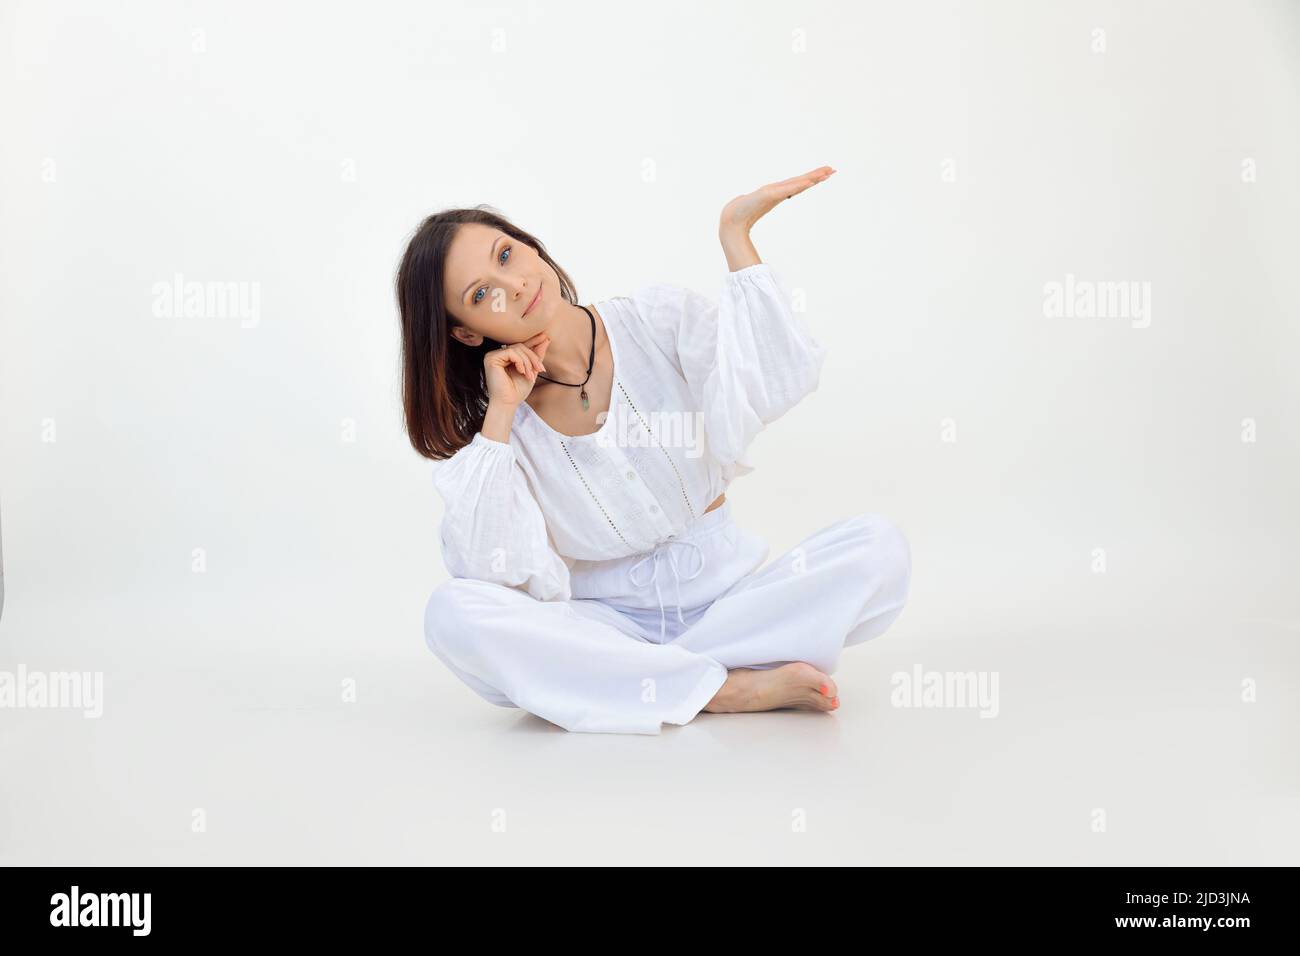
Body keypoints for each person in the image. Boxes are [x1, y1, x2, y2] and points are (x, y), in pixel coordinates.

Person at [397, 166, 911, 734]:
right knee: (452, 615)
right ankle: (721, 686)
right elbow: (487, 573)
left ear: (530, 248)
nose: (513, 284)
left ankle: (645, 682)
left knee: (877, 548)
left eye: (505, 256)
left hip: (733, 602)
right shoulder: (508, 429)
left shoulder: (654, 321)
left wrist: (736, 239)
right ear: (467, 332)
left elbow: (772, 378)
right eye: (480, 294)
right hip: (611, 628)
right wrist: (499, 413)